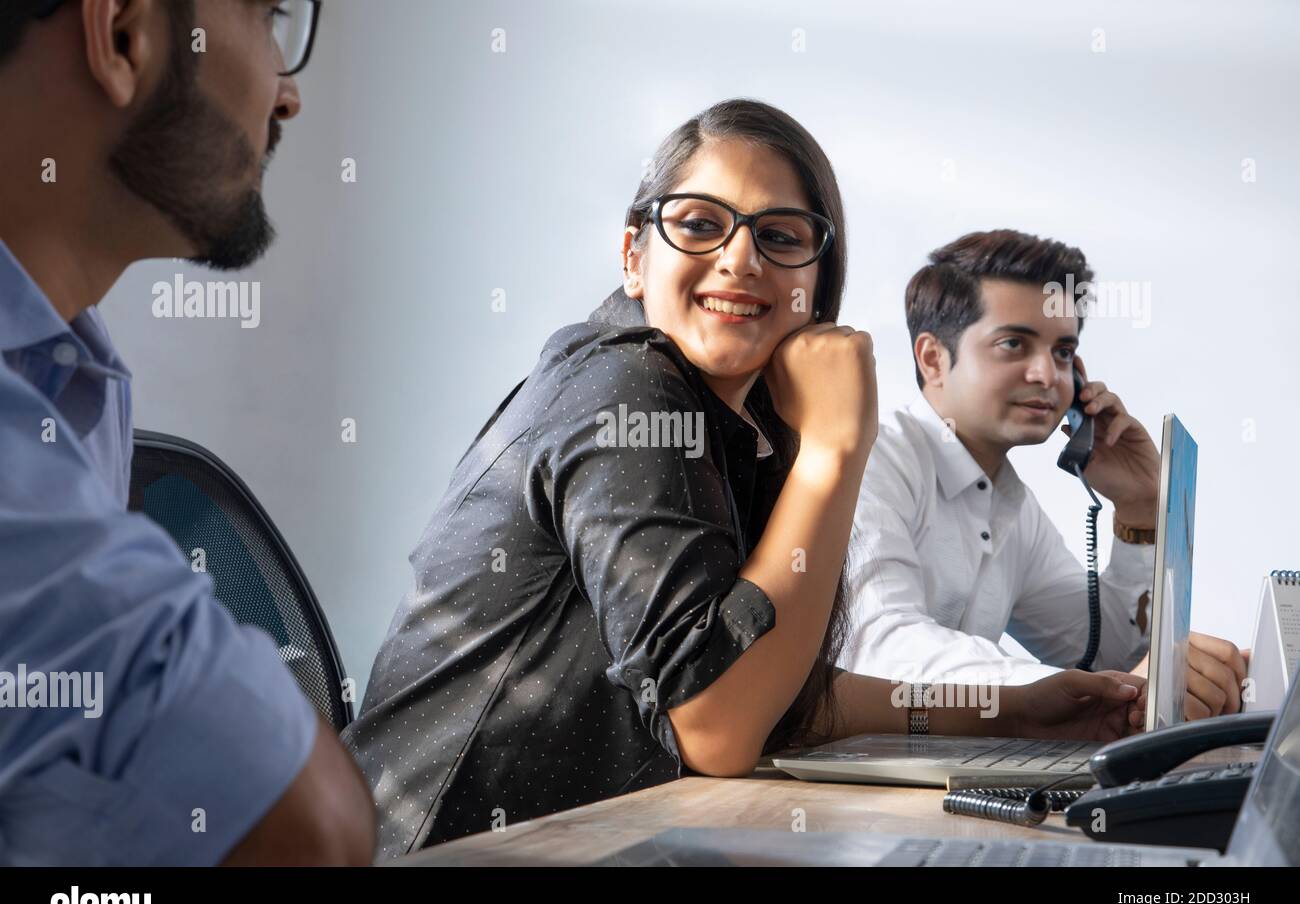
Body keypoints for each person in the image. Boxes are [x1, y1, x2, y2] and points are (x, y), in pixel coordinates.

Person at [346, 99, 1144, 860]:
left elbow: (788, 700)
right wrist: (833, 452)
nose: (739, 259)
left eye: (780, 236)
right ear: (634, 256)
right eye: (699, 224)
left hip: (596, 835)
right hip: (448, 851)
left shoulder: (739, 435)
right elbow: (719, 725)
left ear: (816, 284)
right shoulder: (623, 388)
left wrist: (1017, 712)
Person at [0, 0, 374, 864]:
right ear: (125, 33)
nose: (288, 96)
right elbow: (308, 824)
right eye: (268, 16)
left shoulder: (71, 374)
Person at [838, 229, 1247, 724]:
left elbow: (1104, 657)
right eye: (1014, 344)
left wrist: (1139, 508)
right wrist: (1068, 690)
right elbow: (882, 652)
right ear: (933, 359)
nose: (1048, 376)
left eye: (1062, 352)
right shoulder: (873, 456)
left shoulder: (1011, 504)